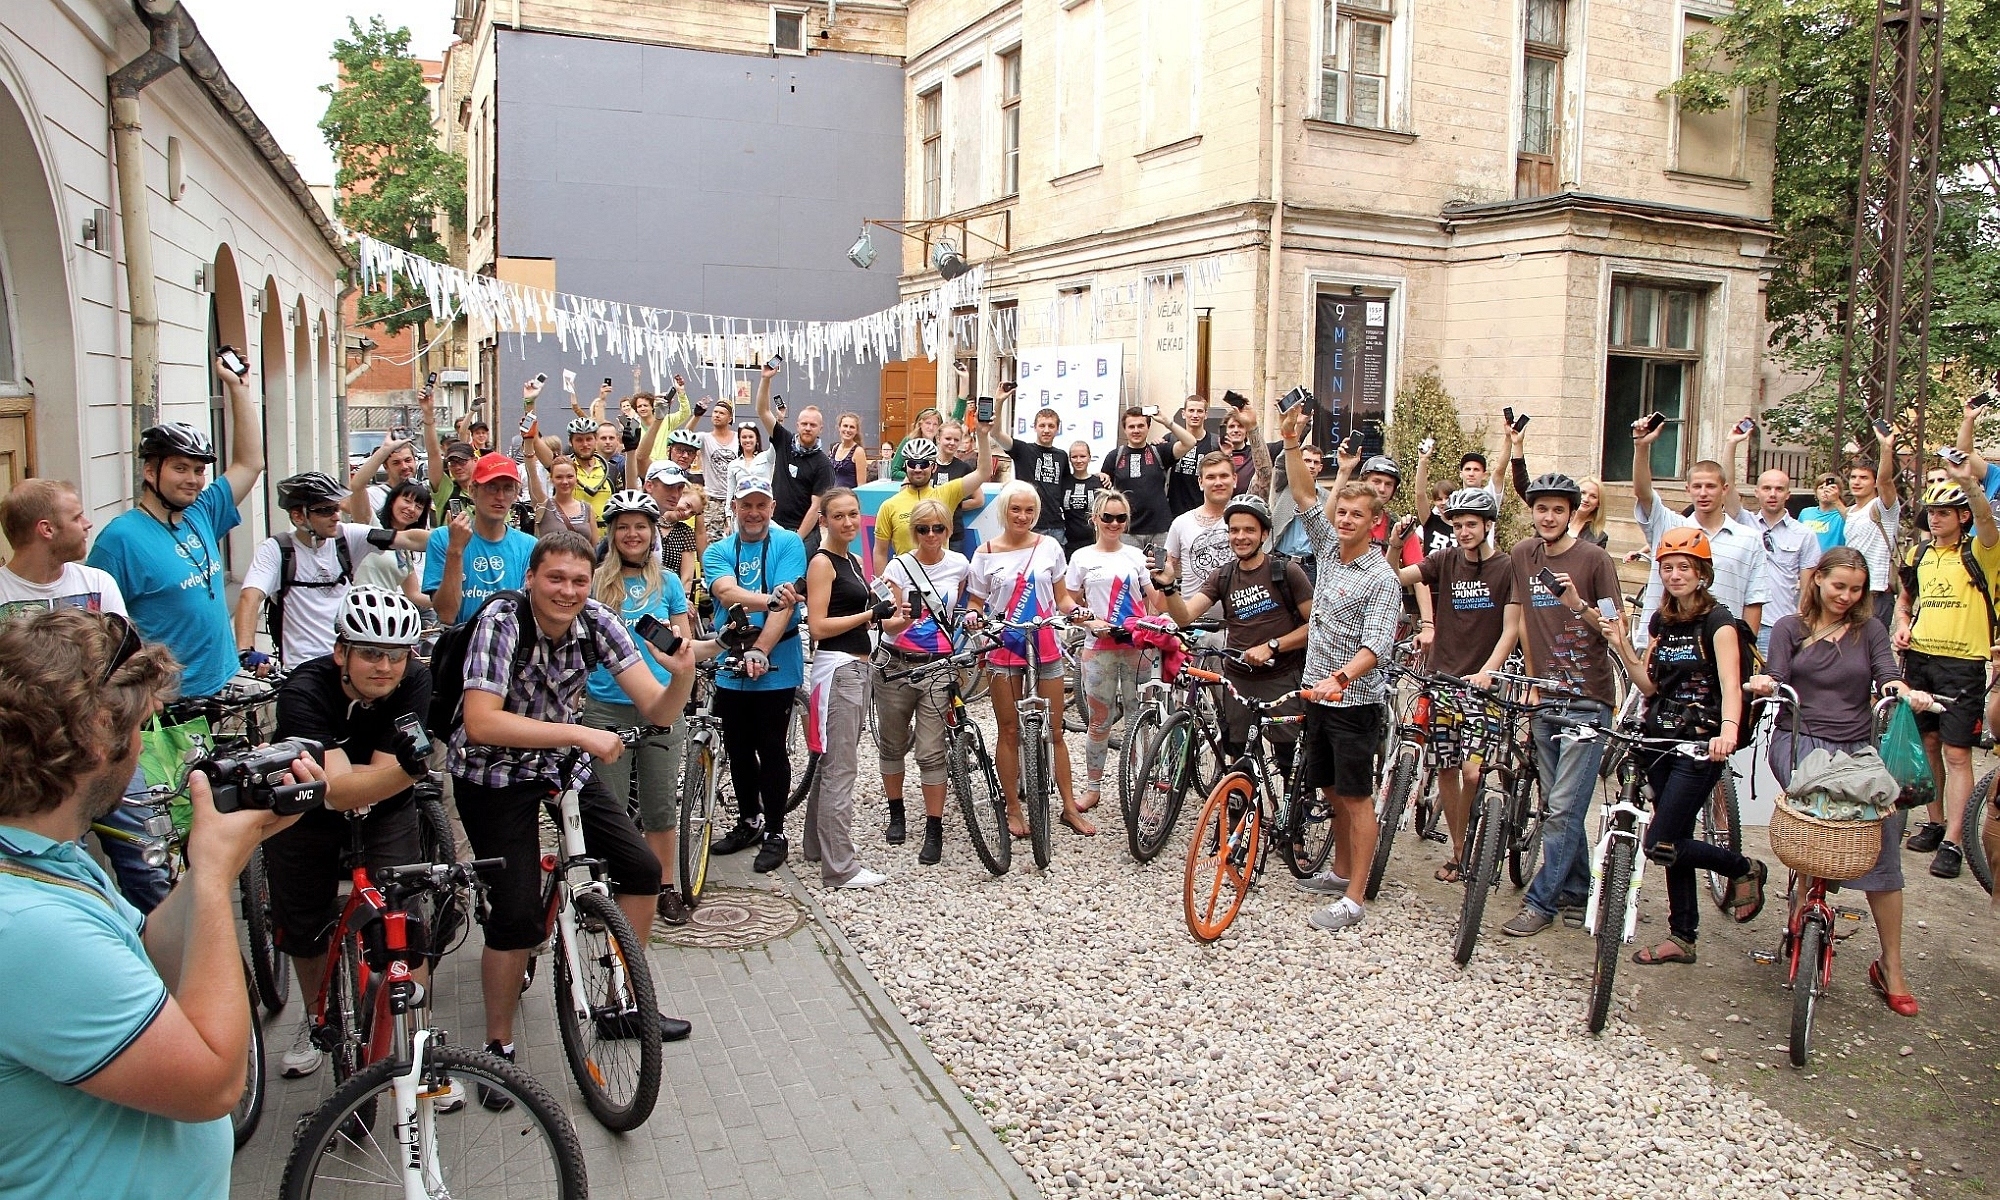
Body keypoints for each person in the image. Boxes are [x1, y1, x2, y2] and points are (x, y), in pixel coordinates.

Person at [0, 608, 314, 1198]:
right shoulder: (30, 927)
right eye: (141, 729)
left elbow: (151, 955)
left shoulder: (44, 858)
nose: (145, 749)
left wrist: (221, 857)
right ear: (97, 734)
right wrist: (217, 871)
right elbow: (216, 1084)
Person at [452, 531, 700, 1083]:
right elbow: (481, 721)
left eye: (578, 580)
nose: (567, 591)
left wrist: (681, 675)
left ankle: (622, 998)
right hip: (492, 772)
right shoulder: (502, 621)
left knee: (640, 869)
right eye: (555, 578)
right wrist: (579, 734)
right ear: (532, 578)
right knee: (516, 915)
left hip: (559, 767)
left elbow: (657, 710)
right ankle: (498, 1046)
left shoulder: (596, 620)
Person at [267, 588, 440, 1078]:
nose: (384, 666)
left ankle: (421, 1045)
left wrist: (396, 776)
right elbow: (338, 791)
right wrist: (411, 772)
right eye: (369, 653)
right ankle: (316, 1014)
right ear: (340, 652)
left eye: (396, 655)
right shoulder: (303, 692)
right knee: (304, 922)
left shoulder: (415, 680)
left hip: (387, 810)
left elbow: (381, 781)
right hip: (308, 812)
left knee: (405, 925)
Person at [1748, 547, 1926, 1014]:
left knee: (1882, 829)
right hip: (1799, 737)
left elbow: (1888, 676)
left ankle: (1891, 963)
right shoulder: (1789, 627)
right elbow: (1778, 675)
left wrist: (1903, 692)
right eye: (1838, 586)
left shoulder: (1871, 630)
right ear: (1818, 581)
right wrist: (1767, 684)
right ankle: (1803, 900)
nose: (1846, 596)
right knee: (1816, 812)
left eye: (1856, 589)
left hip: (1855, 746)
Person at [0, 479, 170, 913]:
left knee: (144, 859)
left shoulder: (97, 583)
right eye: (76, 517)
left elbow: (128, 669)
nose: (87, 523)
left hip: (106, 744)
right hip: (34, 754)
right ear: (46, 529)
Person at [1606, 528, 1769, 965]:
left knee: (1660, 841)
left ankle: (1743, 868)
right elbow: (1649, 685)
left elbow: (1731, 685)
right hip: (1658, 737)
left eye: (1685, 567)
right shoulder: (1662, 621)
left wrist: (1729, 731)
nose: (1675, 575)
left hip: (1700, 743)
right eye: (1668, 567)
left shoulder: (1719, 623)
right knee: (1673, 836)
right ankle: (1683, 936)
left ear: (1702, 574)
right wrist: (1622, 645)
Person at [1279, 405, 1401, 932]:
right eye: (1341, 513)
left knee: (1355, 797)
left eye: (1356, 515)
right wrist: (1289, 444)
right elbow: (1306, 495)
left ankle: (1355, 897)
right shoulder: (1328, 551)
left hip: (1354, 701)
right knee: (1329, 788)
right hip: (1318, 696)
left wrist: (1342, 678)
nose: (1344, 520)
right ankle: (1341, 870)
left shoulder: (1383, 578)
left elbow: (1377, 645)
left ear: (1375, 523)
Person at [1498, 471, 1629, 939]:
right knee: (1557, 802)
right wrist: (1532, 683)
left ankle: (1541, 902)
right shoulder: (1523, 554)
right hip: (1544, 695)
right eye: (1541, 508)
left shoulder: (1594, 560)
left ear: (1573, 513)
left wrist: (1577, 604)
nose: (1549, 516)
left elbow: (1614, 628)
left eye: (1558, 509)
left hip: (1588, 700)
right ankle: (1576, 887)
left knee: (1563, 809)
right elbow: (1525, 622)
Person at [88, 355, 264, 701]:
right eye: (181, 468)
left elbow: (250, 463)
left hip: (220, 686)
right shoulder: (120, 538)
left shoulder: (201, 513)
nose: (194, 480)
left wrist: (238, 388)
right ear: (150, 472)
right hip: (168, 703)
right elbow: (96, 632)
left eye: (199, 470)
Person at [1397, 487, 1521, 880]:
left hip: (1482, 687)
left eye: (1472, 524)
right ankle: (1459, 848)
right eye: (1458, 524)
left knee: (1473, 771)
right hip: (1443, 678)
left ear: (1488, 525)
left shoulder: (1507, 567)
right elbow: (1396, 576)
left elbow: (1511, 630)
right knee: (1445, 767)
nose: (1464, 531)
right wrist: (1396, 544)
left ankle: (1472, 836)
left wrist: (1489, 670)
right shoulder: (1446, 559)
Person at [583, 492, 694, 926]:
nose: (632, 534)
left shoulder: (667, 582)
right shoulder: (593, 582)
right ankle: (608, 888)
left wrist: (712, 645)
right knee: (607, 807)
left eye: (641, 526)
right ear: (612, 534)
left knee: (659, 805)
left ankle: (663, 885)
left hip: (660, 707)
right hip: (605, 706)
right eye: (624, 526)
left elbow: (684, 647)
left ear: (652, 533)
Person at [1161, 491, 1313, 794]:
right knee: (1238, 760)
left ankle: (1292, 832)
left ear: (1264, 534)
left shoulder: (1286, 572)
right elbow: (1185, 616)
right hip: (1238, 681)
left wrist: (1273, 646)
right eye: (1234, 530)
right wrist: (1168, 588)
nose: (1240, 537)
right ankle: (1239, 827)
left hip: (1281, 679)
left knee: (1287, 761)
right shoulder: (1223, 576)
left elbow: (1314, 626)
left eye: (1249, 530)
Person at [963, 481, 1088, 836]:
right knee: (1008, 729)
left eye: (1029, 510)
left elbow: (1062, 598)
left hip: (1044, 643)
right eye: (1015, 509)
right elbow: (975, 601)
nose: (1022, 516)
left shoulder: (1049, 547)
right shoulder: (984, 552)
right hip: (1004, 646)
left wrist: (1075, 611)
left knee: (1056, 730)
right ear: (1004, 511)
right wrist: (973, 615)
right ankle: (1014, 808)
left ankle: (1068, 806)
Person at [1894, 469, 2000, 878]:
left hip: (1963, 664)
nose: (1935, 519)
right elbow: (1906, 598)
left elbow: (1988, 521)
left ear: (1963, 516)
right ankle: (1935, 823)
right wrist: (1903, 624)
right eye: (1931, 513)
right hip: (1920, 659)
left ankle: (1955, 841)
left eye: (1944, 512)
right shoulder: (1918, 554)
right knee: (1928, 743)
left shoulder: (1982, 550)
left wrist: (1970, 486)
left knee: (1958, 752)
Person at [704, 477, 811, 873]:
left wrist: (761, 649)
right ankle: (748, 820)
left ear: (771, 506)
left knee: (771, 748)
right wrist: (766, 601)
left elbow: (787, 603)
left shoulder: (787, 544)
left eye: (760, 505)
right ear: (734, 506)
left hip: (776, 662)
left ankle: (776, 831)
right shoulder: (718, 550)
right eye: (746, 505)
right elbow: (726, 591)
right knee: (737, 748)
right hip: (731, 660)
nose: (753, 513)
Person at [233, 472, 430, 669]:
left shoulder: (346, 537)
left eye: (336, 508)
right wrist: (246, 649)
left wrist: (454, 537)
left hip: (348, 663)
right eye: (325, 510)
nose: (336, 516)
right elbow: (250, 598)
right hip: (302, 667)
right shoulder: (278, 549)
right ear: (298, 516)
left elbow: (409, 539)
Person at [801, 489, 893, 889]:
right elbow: (819, 627)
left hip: (856, 668)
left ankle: (815, 847)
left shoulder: (853, 560)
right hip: (838, 670)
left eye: (853, 514)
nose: (849, 523)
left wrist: (891, 615)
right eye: (839, 516)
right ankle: (841, 868)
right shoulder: (822, 563)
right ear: (824, 520)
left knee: (830, 762)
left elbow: (867, 620)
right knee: (841, 769)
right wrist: (870, 613)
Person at [874, 499, 969, 864]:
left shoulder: (959, 565)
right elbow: (886, 625)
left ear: (947, 530)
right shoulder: (899, 567)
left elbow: (965, 605)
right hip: (896, 662)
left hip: (936, 666)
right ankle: (896, 810)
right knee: (892, 742)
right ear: (913, 532)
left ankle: (934, 827)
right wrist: (906, 617)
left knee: (931, 751)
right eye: (923, 529)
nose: (931, 535)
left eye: (938, 529)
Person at [1632, 418, 1770, 647]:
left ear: (1724, 489)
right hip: (1666, 645)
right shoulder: (1670, 526)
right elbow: (1643, 492)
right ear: (1688, 489)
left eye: (1710, 486)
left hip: (1720, 650)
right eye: (1697, 486)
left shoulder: (1749, 538)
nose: (1703, 493)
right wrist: (1641, 446)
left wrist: (1745, 653)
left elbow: (1753, 602)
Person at [1061, 489, 1160, 811]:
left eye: (1121, 518)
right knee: (1099, 721)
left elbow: (1154, 599)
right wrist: (1087, 622)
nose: (1115, 523)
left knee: (1140, 719)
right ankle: (1093, 788)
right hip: (1098, 648)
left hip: (1137, 647)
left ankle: (1140, 788)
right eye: (1108, 517)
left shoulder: (1135, 556)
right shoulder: (1082, 557)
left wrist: (1163, 586)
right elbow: (1067, 601)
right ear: (1095, 519)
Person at [1717, 434, 1823, 656]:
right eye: (1766, 488)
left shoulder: (1804, 534)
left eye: (1779, 489)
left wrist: (1801, 625)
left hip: (1780, 624)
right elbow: (1726, 487)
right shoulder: (1744, 523)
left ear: (1788, 494)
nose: (1772, 494)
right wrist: (1731, 444)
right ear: (1757, 492)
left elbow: (1808, 587)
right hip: (1742, 621)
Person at [422, 454, 538, 624]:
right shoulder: (443, 539)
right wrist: (455, 550)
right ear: (472, 491)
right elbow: (447, 614)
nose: (500, 496)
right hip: (458, 644)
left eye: (507, 488)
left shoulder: (529, 546)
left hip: (507, 644)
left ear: (515, 495)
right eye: (491, 487)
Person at [872, 422, 995, 575]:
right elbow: (880, 551)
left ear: (933, 467)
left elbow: (983, 472)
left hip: (941, 579)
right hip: (905, 579)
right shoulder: (889, 506)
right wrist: (882, 589)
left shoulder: (946, 494)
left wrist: (982, 435)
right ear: (905, 467)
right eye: (912, 463)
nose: (918, 469)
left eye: (923, 464)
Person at [1103, 407, 1201, 554]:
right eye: (1131, 426)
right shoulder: (1114, 456)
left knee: (1160, 573)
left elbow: (1190, 442)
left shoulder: (1159, 451)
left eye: (1141, 426)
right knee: (1132, 574)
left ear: (1148, 427)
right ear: (1125, 429)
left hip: (1159, 530)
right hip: (1128, 531)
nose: (1136, 430)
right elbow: (1104, 488)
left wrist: (1167, 422)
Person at [994, 391, 1088, 543]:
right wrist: (999, 402)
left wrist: (1098, 476)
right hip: (1030, 524)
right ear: (1035, 427)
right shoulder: (1022, 449)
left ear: (1057, 429)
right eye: (1042, 425)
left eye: (1051, 426)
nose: (1046, 430)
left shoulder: (1062, 456)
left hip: (1057, 526)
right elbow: (996, 433)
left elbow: (1070, 484)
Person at [752, 367, 833, 543]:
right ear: (797, 425)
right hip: (773, 525)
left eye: (813, 425)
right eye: (804, 423)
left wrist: (797, 539)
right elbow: (762, 410)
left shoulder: (823, 464)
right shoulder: (784, 440)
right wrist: (766, 379)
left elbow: (816, 507)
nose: (808, 428)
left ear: (821, 428)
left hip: (804, 533)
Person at [1841, 427, 1903, 630]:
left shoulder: (1882, 507)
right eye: (1853, 477)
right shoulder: (1850, 512)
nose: (1857, 482)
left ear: (1874, 483)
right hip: (1851, 591)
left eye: (1864, 478)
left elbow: (1885, 481)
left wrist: (1886, 448)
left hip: (1876, 593)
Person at [1164, 451, 1246, 595]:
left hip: (1239, 615)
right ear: (1201, 482)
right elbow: (1166, 570)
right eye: (1211, 477)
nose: (1218, 482)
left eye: (1224, 476)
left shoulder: (1248, 520)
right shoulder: (1181, 523)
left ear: (1234, 479)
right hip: (1192, 614)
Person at [355, 479, 434, 611]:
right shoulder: (372, 527)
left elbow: (414, 594)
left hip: (385, 617)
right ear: (392, 501)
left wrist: (452, 601)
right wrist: (383, 456)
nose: (411, 509)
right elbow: (357, 485)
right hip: (359, 611)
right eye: (407, 501)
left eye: (418, 507)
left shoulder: (405, 551)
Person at [533, 418, 616, 531]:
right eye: (579, 440)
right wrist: (529, 406)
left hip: (606, 539)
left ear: (596, 440)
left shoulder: (611, 470)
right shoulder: (565, 468)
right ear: (570, 442)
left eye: (589, 439)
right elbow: (536, 441)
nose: (585, 444)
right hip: (575, 538)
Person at [345, 432, 420, 525]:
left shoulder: (422, 492)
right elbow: (354, 490)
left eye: (408, 460)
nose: (404, 466)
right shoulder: (374, 495)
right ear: (385, 467)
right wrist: (384, 450)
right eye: (396, 463)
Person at [937, 419, 984, 556]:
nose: (952, 443)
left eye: (956, 440)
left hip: (954, 534)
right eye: (948, 438)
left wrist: (953, 504)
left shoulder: (964, 468)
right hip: (926, 532)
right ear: (938, 438)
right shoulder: (925, 465)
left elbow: (978, 500)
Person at [1166, 394, 1217, 517]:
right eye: (1191, 411)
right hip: (1173, 513)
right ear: (1183, 414)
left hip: (1204, 513)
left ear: (1206, 415)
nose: (1195, 415)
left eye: (1199, 411)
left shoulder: (1215, 443)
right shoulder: (1170, 439)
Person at [528, 454, 596, 540]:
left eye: (570, 476)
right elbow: (532, 473)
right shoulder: (544, 506)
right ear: (551, 479)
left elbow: (594, 549)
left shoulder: (587, 509)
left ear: (576, 479)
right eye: (559, 477)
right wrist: (529, 445)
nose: (565, 481)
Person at [1058, 441, 1104, 557]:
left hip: (1093, 543)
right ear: (1069, 459)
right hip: (1068, 544)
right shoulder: (1063, 482)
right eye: (1074, 457)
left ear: (1089, 457)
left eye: (1082, 456)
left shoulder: (1099, 482)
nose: (1079, 460)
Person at [1799, 473, 1847, 554]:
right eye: (1821, 488)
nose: (1825, 491)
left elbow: (1852, 521)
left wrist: (1836, 501)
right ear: (1815, 491)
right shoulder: (1805, 513)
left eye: (1831, 488)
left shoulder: (1841, 515)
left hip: (1831, 562)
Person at [830, 413, 870, 488]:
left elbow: (861, 486)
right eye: (845, 426)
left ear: (856, 431)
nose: (848, 430)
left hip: (848, 497)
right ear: (839, 427)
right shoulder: (835, 448)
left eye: (852, 427)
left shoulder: (858, 451)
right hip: (833, 496)